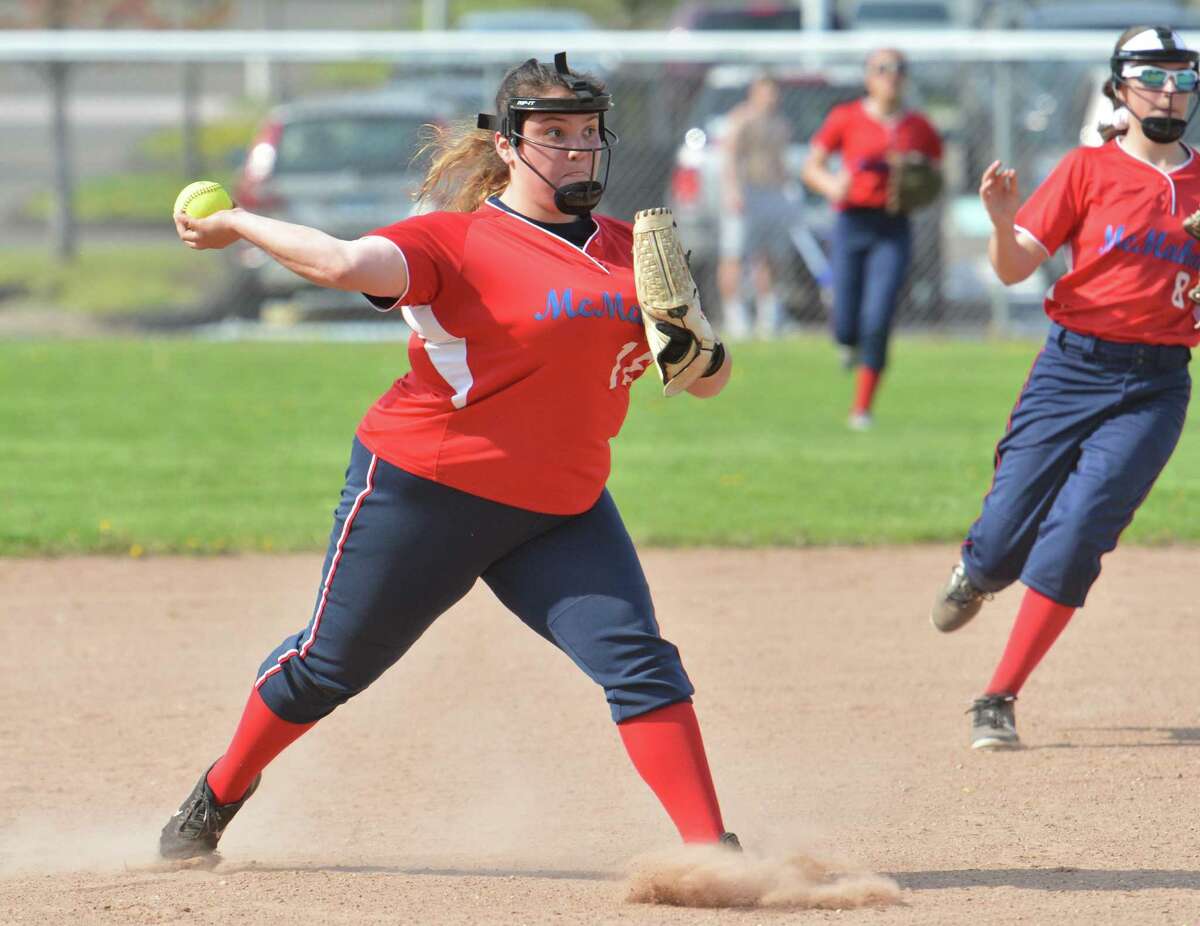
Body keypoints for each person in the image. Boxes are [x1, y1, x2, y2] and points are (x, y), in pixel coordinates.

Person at [159, 53, 739, 860]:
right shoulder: (454, 241)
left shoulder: (632, 252)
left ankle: (712, 855)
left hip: (561, 508)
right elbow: (340, 264)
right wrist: (235, 224)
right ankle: (219, 793)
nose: (577, 148)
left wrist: (696, 344)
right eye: (553, 134)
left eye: (586, 132)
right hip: (425, 496)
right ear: (508, 144)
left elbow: (707, 382)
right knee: (327, 668)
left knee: (640, 663)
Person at [929, 26, 1200, 750]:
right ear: (1119, 89)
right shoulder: (1087, 169)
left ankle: (998, 696)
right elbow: (1015, 267)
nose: (1169, 91)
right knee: (1001, 541)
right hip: (1071, 370)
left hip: (1156, 386)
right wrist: (999, 222)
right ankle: (978, 570)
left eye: (1182, 77)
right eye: (1152, 77)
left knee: (1080, 531)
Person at [802, 49, 942, 430]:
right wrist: (832, 185)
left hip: (893, 226)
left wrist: (921, 182)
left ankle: (862, 408)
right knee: (846, 323)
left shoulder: (918, 126)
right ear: (868, 77)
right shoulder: (846, 118)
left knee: (878, 316)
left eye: (899, 69)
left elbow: (935, 173)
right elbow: (812, 166)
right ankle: (847, 343)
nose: (891, 76)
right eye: (882, 69)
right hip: (852, 221)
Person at [717, 73, 792, 340]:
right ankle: (734, 313)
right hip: (745, 192)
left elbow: (780, 161)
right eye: (766, 92)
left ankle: (768, 314)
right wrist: (733, 191)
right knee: (735, 254)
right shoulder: (742, 119)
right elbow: (730, 157)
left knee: (769, 255)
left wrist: (787, 190)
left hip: (771, 193)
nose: (771, 98)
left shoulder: (780, 123)